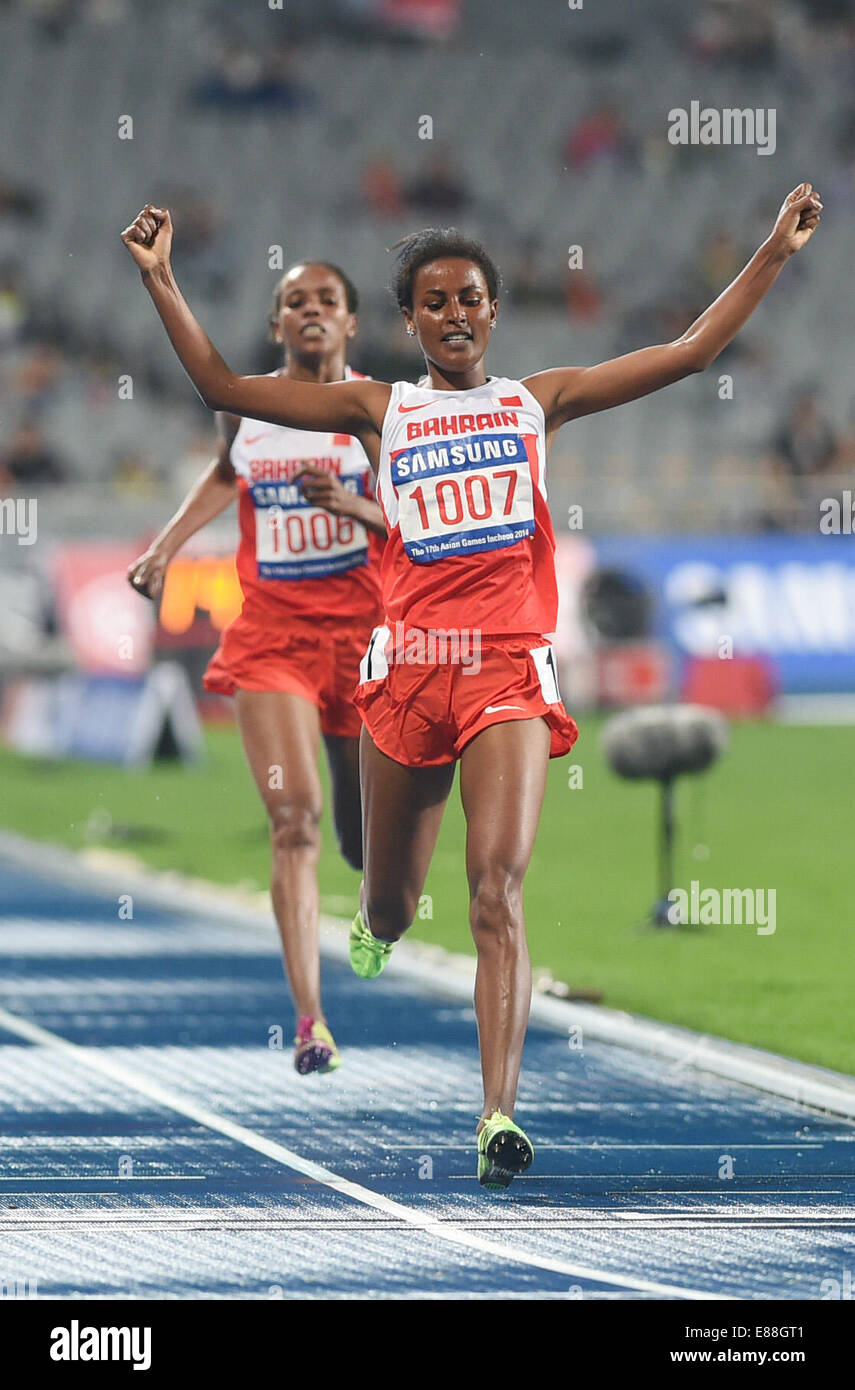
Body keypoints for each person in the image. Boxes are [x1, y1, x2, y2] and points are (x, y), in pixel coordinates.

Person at [121, 180, 822, 1188]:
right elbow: (227, 391)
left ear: (494, 313)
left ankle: (497, 1112)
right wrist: (160, 279)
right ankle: (373, 920)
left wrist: (774, 251)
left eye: (472, 299)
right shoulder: (380, 408)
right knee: (398, 905)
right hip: (406, 676)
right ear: (409, 320)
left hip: (505, 673)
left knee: (496, 889)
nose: (456, 315)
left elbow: (690, 354)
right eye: (436, 301)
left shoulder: (535, 401)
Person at [126, 260, 386, 1077]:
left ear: (351, 324)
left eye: (327, 302)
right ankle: (311, 1021)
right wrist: (165, 546)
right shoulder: (251, 409)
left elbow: (417, 522)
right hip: (273, 637)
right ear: (278, 326)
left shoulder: (382, 411)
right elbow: (226, 470)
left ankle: (373, 894)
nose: (311, 312)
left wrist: (354, 508)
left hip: (366, 640)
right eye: (295, 302)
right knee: (294, 817)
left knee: (355, 840)